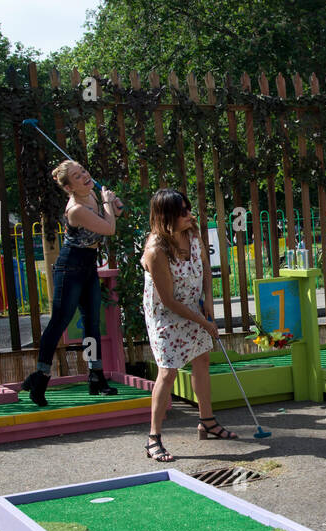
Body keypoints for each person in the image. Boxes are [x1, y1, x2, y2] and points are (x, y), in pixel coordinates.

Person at [141, 188, 235, 461]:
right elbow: (168, 300)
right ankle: (153, 438)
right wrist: (203, 323)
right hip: (166, 315)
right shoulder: (156, 250)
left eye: (187, 208)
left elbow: (205, 268)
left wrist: (208, 301)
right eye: (181, 211)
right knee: (168, 372)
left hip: (193, 306)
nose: (189, 215)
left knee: (202, 359)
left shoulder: (192, 233)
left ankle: (207, 421)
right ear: (166, 215)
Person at [20, 160, 122, 405]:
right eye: (77, 176)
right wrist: (108, 203)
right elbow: (108, 229)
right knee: (59, 322)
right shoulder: (75, 208)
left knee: (91, 323)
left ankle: (95, 374)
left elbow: (111, 218)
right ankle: (41, 377)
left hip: (88, 265)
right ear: (69, 188)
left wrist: (113, 205)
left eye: (84, 171)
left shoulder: (92, 198)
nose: (85, 176)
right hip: (70, 267)